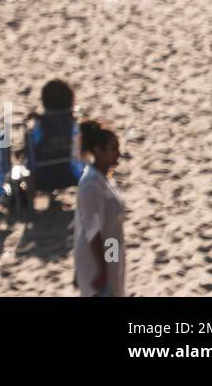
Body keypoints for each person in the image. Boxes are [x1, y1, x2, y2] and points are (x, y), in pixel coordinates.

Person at [73, 119, 126, 297]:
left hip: (110, 253)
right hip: (96, 261)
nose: (118, 153)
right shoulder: (90, 185)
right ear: (98, 150)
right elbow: (92, 231)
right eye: (113, 149)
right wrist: (103, 271)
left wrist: (112, 266)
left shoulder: (104, 180)